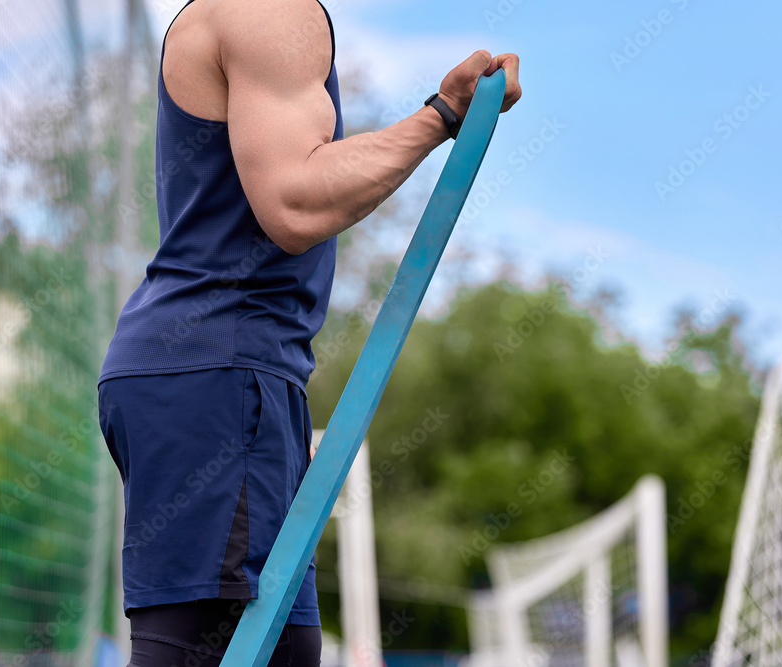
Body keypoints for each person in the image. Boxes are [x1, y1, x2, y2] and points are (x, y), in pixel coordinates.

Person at [96, 0, 521, 664]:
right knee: (215, 648)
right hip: (220, 375)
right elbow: (292, 200)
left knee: (280, 648)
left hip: (219, 374)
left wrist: (445, 109)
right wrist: (438, 119)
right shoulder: (272, 11)